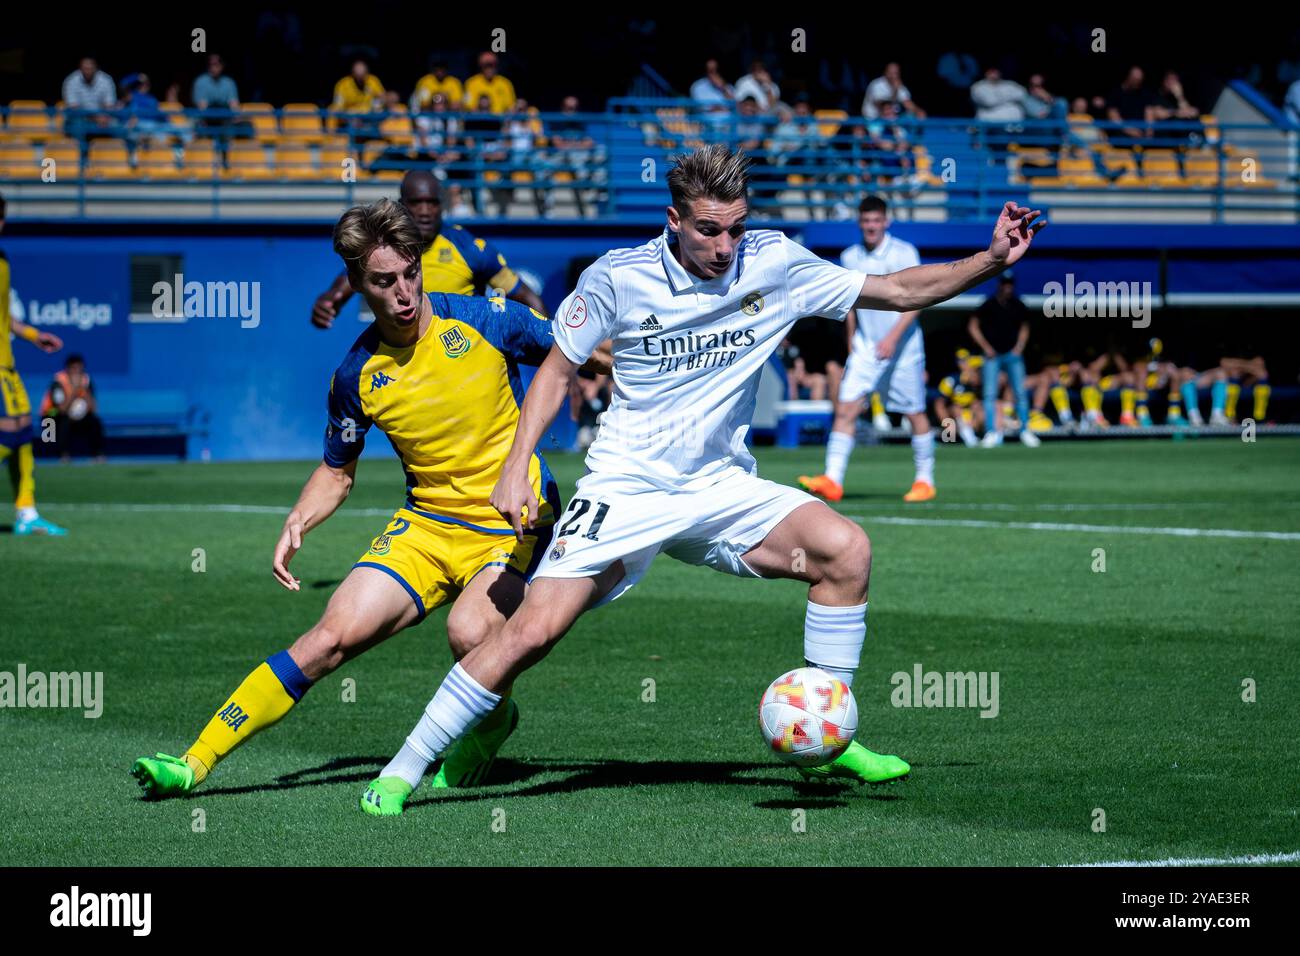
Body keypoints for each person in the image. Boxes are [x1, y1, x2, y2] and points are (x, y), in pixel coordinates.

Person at [360, 144, 1045, 815]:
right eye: (710, 229)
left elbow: (895, 290)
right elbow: (557, 371)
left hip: (720, 489)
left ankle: (826, 735)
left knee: (846, 551)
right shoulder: (617, 278)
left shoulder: (774, 262)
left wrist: (989, 259)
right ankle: (404, 770)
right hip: (625, 489)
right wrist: (515, 468)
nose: (725, 244)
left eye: (736, 227)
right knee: (530, 633)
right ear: (674, 220)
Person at [131, 199, 611, 800]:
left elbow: (583, 353)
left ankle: (487, 728)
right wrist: (299, 518)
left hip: (513, 522)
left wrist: (641, 370)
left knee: (469, 633)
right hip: (427, 526)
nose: (405, 292)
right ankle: (192, 763)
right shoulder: (356, 375)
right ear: (359, 284)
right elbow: (337, 472)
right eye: (385, 282)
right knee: (326, 639)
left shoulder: (488, 321)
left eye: (411, 273)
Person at [800, 196, 933, 503]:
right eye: (866, 221)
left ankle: (925, 481)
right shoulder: (850, 256)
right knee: (846, 408)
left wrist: (892, 338)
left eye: (876, 221)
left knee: (914, 412)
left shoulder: (904, 252)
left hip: (904, 348)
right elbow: (852, 306)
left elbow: (918, 300)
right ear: (860, 223)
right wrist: (851, 343)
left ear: (886, 221)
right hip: (865, 348)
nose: (871, 226)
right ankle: (832, 480)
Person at [309, 170, 545, 328]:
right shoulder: (382, 251)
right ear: (402, 205)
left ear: (441, 206)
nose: (424, 211)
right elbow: (338, 293)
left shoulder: (469, 248)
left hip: (463, 359)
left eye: (431, 203)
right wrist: (328, 303)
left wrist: (553, 345)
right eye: (417, 202)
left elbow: (525, 296)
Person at [0, 193, 68, 535]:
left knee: (24, 435)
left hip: (6, 366)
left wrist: (32, 335)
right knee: (10, 434)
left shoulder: (3, 259)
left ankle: (27, 512)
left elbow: (5, 318)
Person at [968, 271, 1038, 447]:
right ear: (999, 285)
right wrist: (986, 347)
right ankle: (992, 432)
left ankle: (1025, 430)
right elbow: (973, 326)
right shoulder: (989, 304)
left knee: (1020, 393)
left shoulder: (1018, 304)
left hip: (1012, 356)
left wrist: (1019, 347)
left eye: (1010, 284)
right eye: (1005, 284)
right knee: (989, 394)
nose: (1008, 287)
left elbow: (1025, 327)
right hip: (992, 356)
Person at [40, 354, 105, 462]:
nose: (77, 372)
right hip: (50, 418)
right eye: (74, 369)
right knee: (63, 420)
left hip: (74, 418)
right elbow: (62, 409)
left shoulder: (86, 381)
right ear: (67, 369)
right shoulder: (58, 382)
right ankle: (63, 455)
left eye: (80, 369)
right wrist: (74, 390)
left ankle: (98, 454)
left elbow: (93, 409)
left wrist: (85, 392)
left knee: (94, 421)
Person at [61, 57, 116, 138]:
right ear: (80, 69)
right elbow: (74, 107)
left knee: (118, 127)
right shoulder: (71, 80)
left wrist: (104, 117)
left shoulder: (106, 80)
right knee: (77, 125)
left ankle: (109, 150)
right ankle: (81, 149)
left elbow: (109, 105)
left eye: (90, 68)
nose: (88, 71)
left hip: (102, 117)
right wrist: (96, 118)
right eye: (85, 69)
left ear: (96, 68)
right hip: (79, 117)